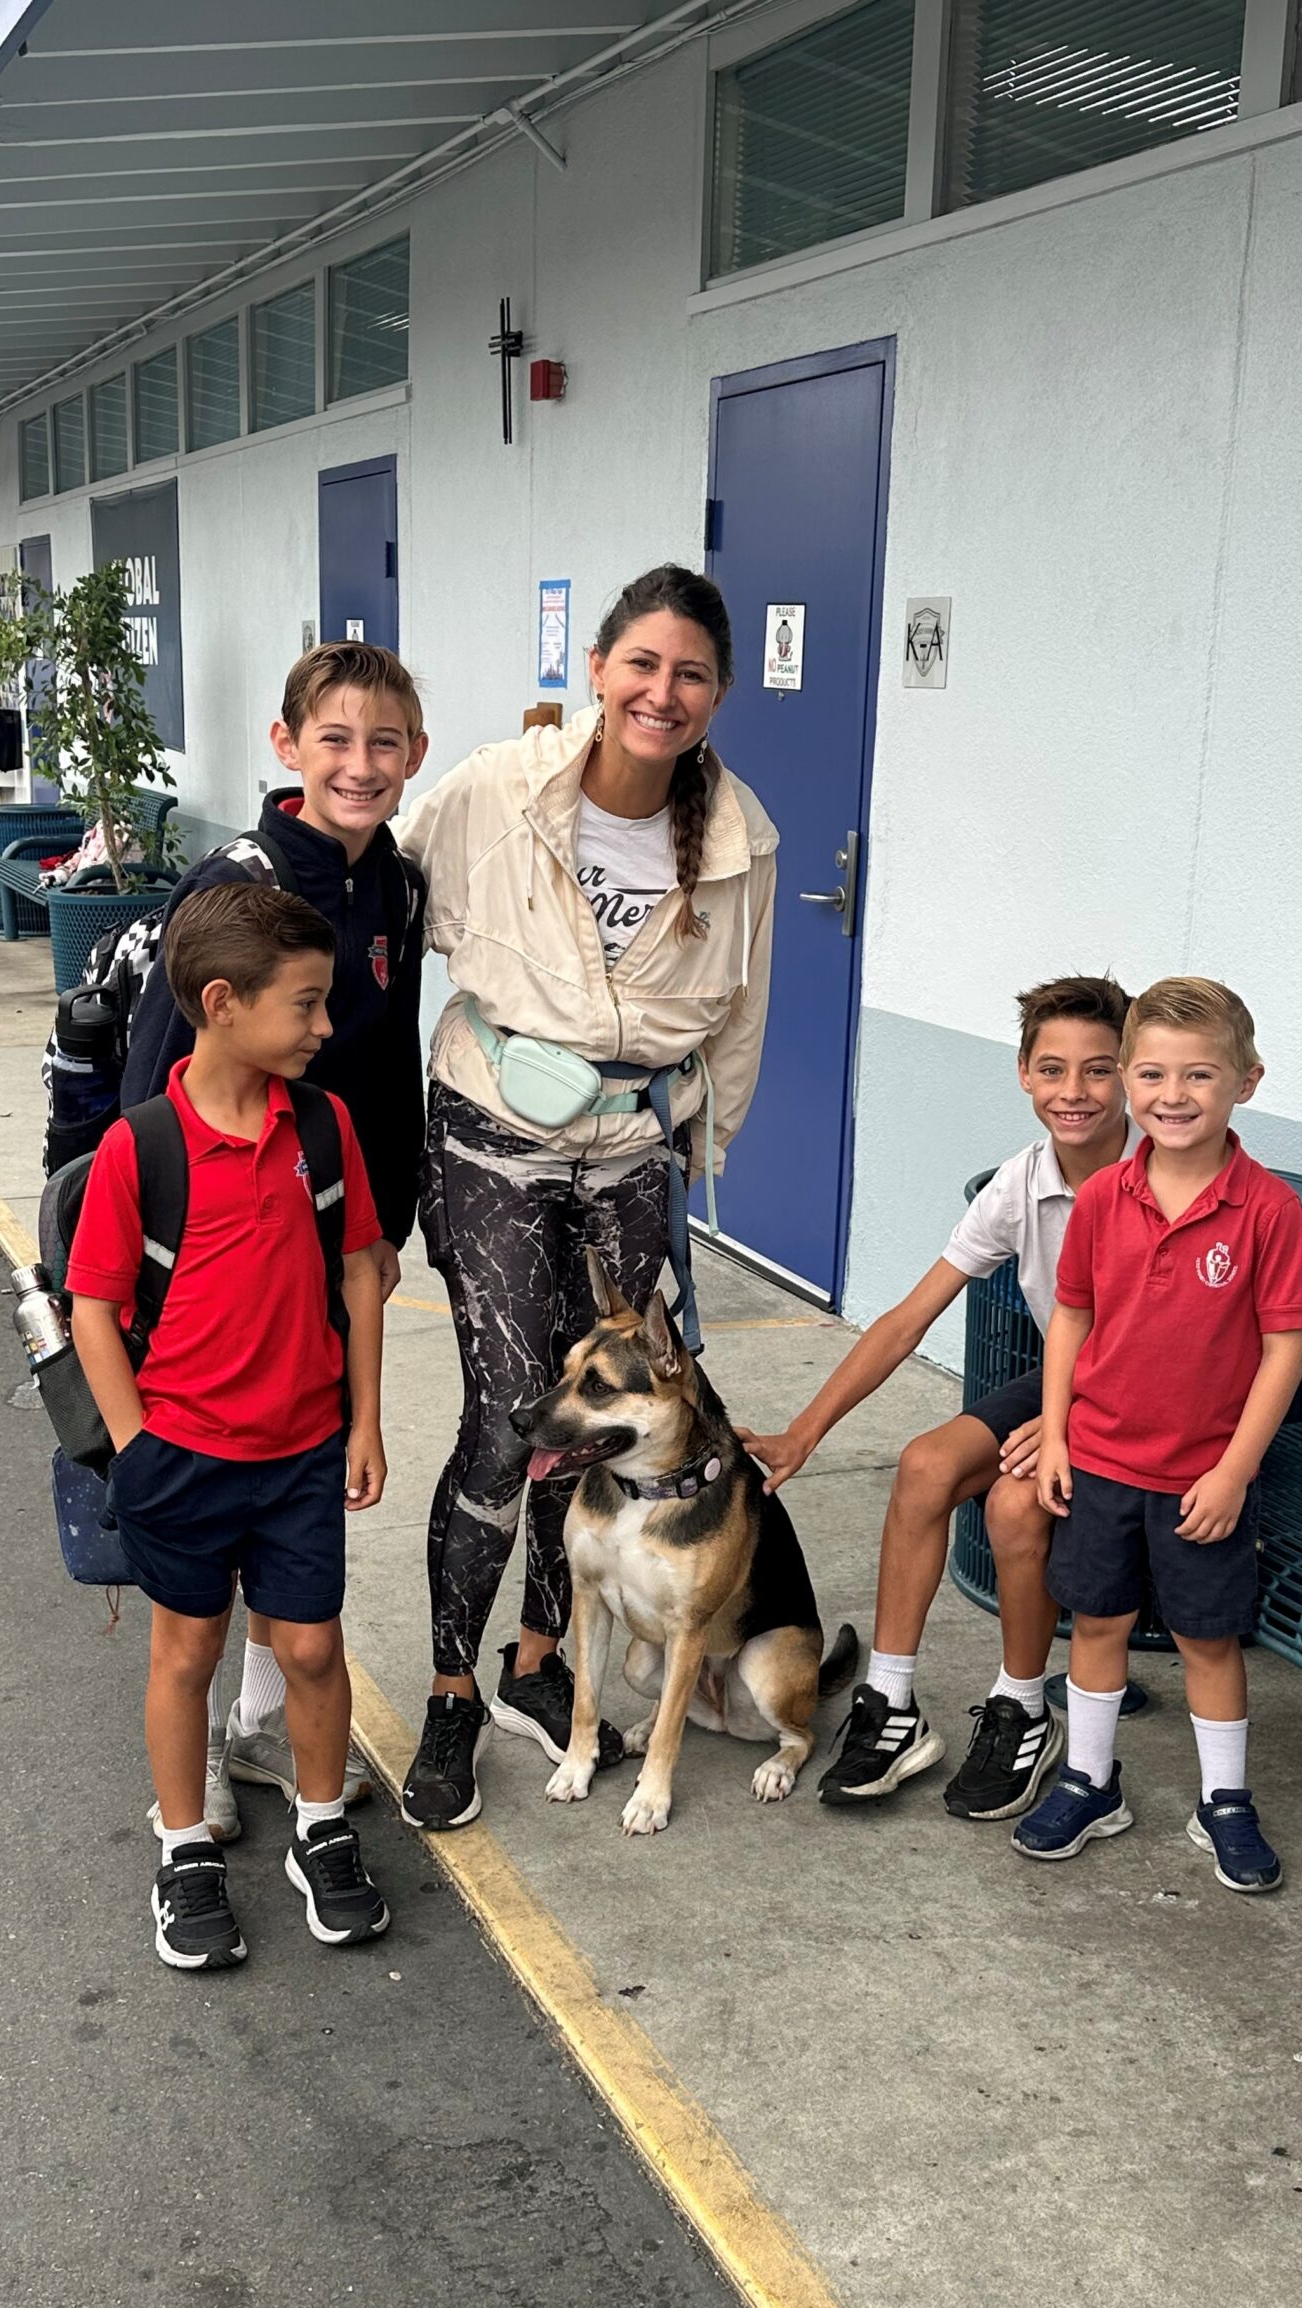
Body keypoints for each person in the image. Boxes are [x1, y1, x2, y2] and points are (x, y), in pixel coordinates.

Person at [390, 564, 778, 1830]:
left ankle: (545, 1662)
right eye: (642, 665)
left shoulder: (740, 838)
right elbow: (380, 900)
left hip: (631, 1149)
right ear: (598, 670)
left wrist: (700, 1149)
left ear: (716, 694)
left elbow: (743, 1012)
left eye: (692, 674)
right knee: (513, 1420)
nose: (663, 693)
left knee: (600, 1426)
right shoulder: (498, 789)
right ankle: (454, 1686)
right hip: (493, 1129)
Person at [118, 642, 427, 1835]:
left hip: (321, 1218)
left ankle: (259, 1724)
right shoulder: (233, 888)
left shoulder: (394, 884)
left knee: (291, 1478)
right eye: (336, 740)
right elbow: (157, 1090)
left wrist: (380, 1224)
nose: (361, 764)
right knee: (202, 1489)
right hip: (201, 1241)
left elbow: (386, 1065)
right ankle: (188, 1771)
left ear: (415, 755)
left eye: (385, 741)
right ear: (286, 745)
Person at [68, 884, 390, 1969]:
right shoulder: (142, 1148)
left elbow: (358, 1274)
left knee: (309, 1644)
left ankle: (319, 1826)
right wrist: (137, 1445)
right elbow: (96, 1312)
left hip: (301, 1451)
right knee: (187, 1650)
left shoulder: (323, 1127)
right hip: (183, 1457)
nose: (324, 1027)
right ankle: (185, 1847)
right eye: (305, 1006)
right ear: (221, 1003)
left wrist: (364, 1423)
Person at [741, 975, 1135, 1816]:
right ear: (1024, 1073)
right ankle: (891, 1706)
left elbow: (1170, 1346)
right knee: (924, 1466)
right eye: (1054, 1069)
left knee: (1015, 1507)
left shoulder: (1158, 1179)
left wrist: (1065, 1420)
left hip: (1147, 1395)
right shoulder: (1021, 1184)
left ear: (1132, 1075)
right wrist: (805, 1430)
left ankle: (1024, 1712)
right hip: (1072, 1381)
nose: (1075, 1092)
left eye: (1099, 1071)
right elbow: (906, 1320)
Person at [1016, 977, 1302, 1893]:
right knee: (1096, 1623)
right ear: (1130, 1082)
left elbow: (1284, 1351)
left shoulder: (1268, 1211)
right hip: (1101, 1461)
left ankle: (1224, 1801)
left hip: (1202, 1479)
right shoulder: (1104, 1198)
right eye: (1151, 1074)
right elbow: (1069, 1320)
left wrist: (1234, 1472)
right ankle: (1088, 1780)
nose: (1171, 1096)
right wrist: (1057, 1436)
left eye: (1199, 1075)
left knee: (1206, 1640)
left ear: (1246, 1083)